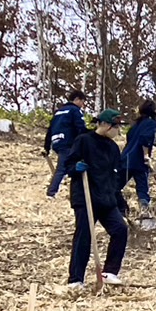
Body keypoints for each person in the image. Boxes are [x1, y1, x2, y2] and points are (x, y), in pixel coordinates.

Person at [62, 109, 128, 287]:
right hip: (86, 197)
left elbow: (114, 177)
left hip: (106, 199)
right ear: (105, 125)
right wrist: (76, 167)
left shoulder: (113, 148)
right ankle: (76, 279)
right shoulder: (84, 141)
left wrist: (120, 202)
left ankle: (109, 272)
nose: (118, 131)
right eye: (116, 127)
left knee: (120, 230)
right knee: (84, 237)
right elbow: (67, 165)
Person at [44, 89, 87, 197]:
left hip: (57, 142)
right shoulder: (75, 111)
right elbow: (80, 128)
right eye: (82, 102)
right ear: (77, 99)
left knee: (68, 166)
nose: (82, 105)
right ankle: (51, 193)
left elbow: (50, 130)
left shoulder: (58, 112)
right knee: (62, 168)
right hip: (69, 143)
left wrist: (46, 147)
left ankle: (73, 191)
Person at [120, 98, 156, 212]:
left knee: (115, 187)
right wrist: (146, 156)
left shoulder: (135, 125)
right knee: (142, 189)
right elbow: (145, 139)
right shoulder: (150, 123)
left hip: (125, 159)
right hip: (139, 160)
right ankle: (145, 212)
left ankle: (120, 209)